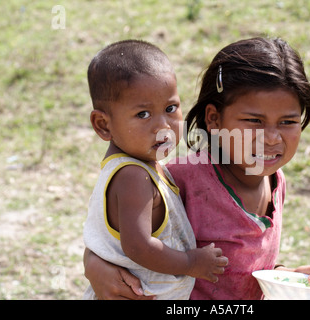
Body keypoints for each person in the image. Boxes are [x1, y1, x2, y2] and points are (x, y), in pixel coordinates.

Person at [84, 37, 310, 300]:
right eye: (254, 120)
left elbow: (245, 266)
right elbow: (114, 237)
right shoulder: (180, 179)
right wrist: (94, 266)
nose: (271, 138)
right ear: (213, 119)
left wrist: (284, 277)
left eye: (288, 121)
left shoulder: (275, 181)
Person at [83, 39, 228, 300]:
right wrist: (190, 262)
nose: (163, 125)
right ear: (103, 125)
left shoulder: (144, 166)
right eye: (143, 114)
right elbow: (138, 247)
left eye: (170, 109)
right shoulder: (132, 176)